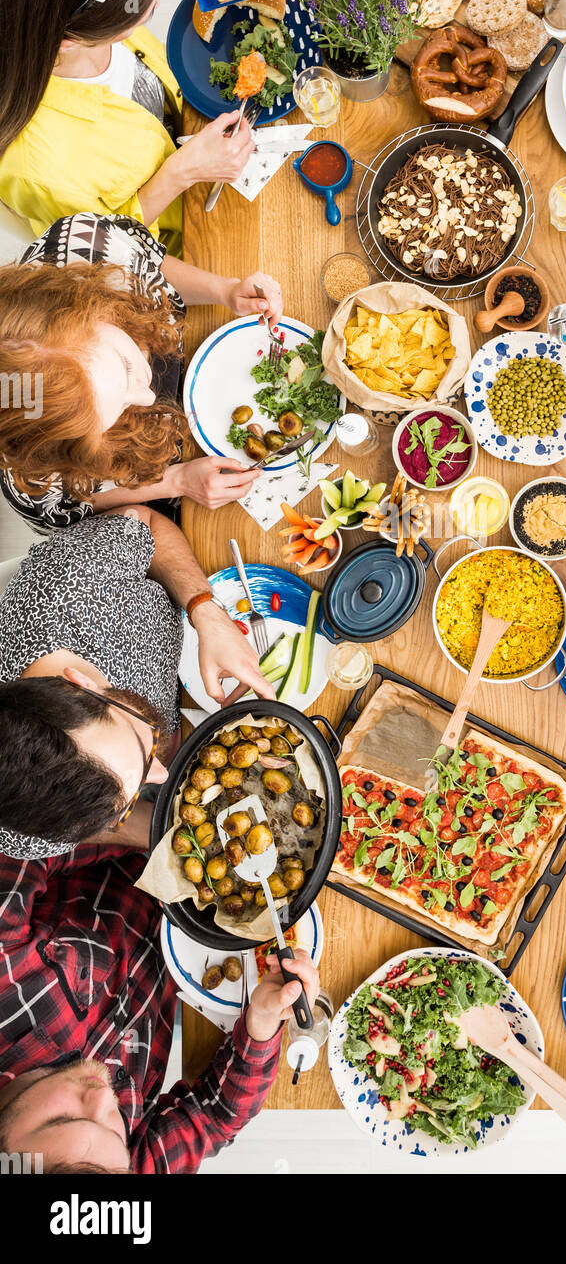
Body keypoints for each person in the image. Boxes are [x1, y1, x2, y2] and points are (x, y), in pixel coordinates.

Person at [0, 841, 319, 1173]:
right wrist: (263, 1020)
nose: (102, 1096)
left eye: (62, 1119)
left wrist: (155, 836)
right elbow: (216, 1119)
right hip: (198, 920)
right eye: (114, 1132)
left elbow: (25, 837)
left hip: (120, 823)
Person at [0, 504, 275, 859]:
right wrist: (181, 834)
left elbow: (149, 526)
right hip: (187, 710)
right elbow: (105, 825)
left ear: (80, 682)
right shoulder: (26, 828)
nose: (162, 775)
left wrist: (204, 609)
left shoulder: (74, 577)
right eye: (122, 804)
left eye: (145, 759)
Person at [0, 0, 254, 254]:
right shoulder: (36, 166)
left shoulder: (50, 11)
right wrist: (183, 171)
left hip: (196, 132)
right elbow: (102, 254)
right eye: (138, 14)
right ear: (68, 41)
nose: (150, 7)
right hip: (184, 240)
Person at [0, 210, 281, 528]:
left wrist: (224, 290)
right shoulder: (34, 478)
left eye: (125, 365)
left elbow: (150, 264)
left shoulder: (87, 245)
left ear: (90, 308)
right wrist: (177, 481)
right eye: (115, 409)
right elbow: (76, 508)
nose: (147, 396)